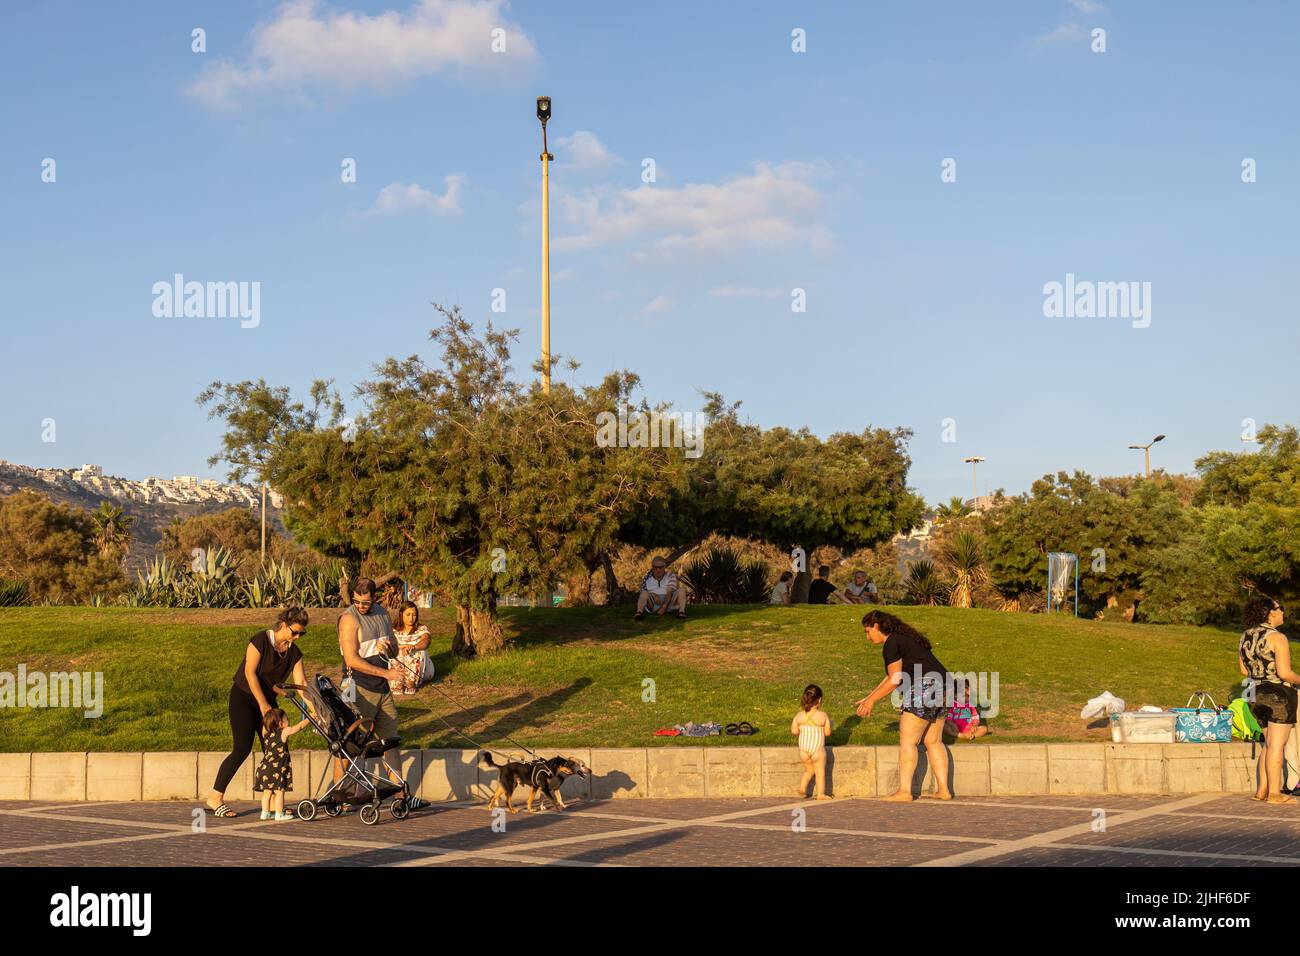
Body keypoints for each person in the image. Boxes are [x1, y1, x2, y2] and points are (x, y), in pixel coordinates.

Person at [205, 607, 311, 819]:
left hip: (268, 703)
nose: (297, 637)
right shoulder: (260, 640)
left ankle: (272, 802)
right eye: (294, 632)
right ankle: (215, 797)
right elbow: (249, 673)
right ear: (283, 625)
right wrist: (263, 705)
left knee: (274, 751)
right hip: (244, 697)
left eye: (302, 634)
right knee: (242, 748)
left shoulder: (293, 653)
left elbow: (301, 683)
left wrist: (314, 709)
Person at [336, 579, 430, 809]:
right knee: (352, 743)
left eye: (365, 602)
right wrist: (385, 673)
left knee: (390, 742)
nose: (360, 606)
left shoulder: (382, 614)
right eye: (357, 601)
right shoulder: (349, 619)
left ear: (375, 598)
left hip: (381, 688)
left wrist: (387, 649)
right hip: (356, 687)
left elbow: (395, 649)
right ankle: (338, 795)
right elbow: (351, 659)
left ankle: (401, 796)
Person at [855, 610, 954, 801]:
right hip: (945, 686)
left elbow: (894, 679)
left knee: (908, 741)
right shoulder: (905, 639)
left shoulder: (891, 643)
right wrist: (870, 696)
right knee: (933, 741)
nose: (867, 637)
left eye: (868, 632)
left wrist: (872, 701)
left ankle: (904, 791)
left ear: (876, 627)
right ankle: (944, 790)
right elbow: (893, 675)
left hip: (925, 686)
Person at [1239, 596, 1298, 804]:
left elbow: (1243, 670)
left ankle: (1262, 790)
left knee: (1268, 744)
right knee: (1277, 746)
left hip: (1252, 692)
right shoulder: (1277, 637)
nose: (1283, 612)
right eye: (1280, 608)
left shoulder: (1245, 636)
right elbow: (1284, 673)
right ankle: (1275, 793)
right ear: (1271, 612)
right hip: (1277, 694)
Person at [254, 708, 310, 820]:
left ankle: (264, 813)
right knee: (279, 792)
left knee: (267, 792)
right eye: (287, 719)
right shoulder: (283, 732)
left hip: (264, 767)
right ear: (281, 723)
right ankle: (279, 814)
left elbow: (265, 724)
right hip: (277, 769)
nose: (288, 721)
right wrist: (310, 718)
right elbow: (299, 727)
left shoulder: (265, 733)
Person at [791, 684, 833, 799]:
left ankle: (802, 788)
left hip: (804, 750)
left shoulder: (799, 715)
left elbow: (794, 731)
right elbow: (828, 733)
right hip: (817, 749)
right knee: (820, 772)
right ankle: (820, 794)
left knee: (809, 770)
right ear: (819, 700)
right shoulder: (823, 715)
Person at [388, 600, 432, 696]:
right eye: (408, 614)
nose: (411, 618)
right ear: (401, 614)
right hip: (401, 661)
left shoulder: (421, 628)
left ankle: (412, 684)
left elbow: (426, 641)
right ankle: (397, 683)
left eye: (414, 615)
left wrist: (414, 647)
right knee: (396, 653)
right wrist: (400, 649)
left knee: (420, 652)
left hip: (421, 667)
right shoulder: (393, 630)